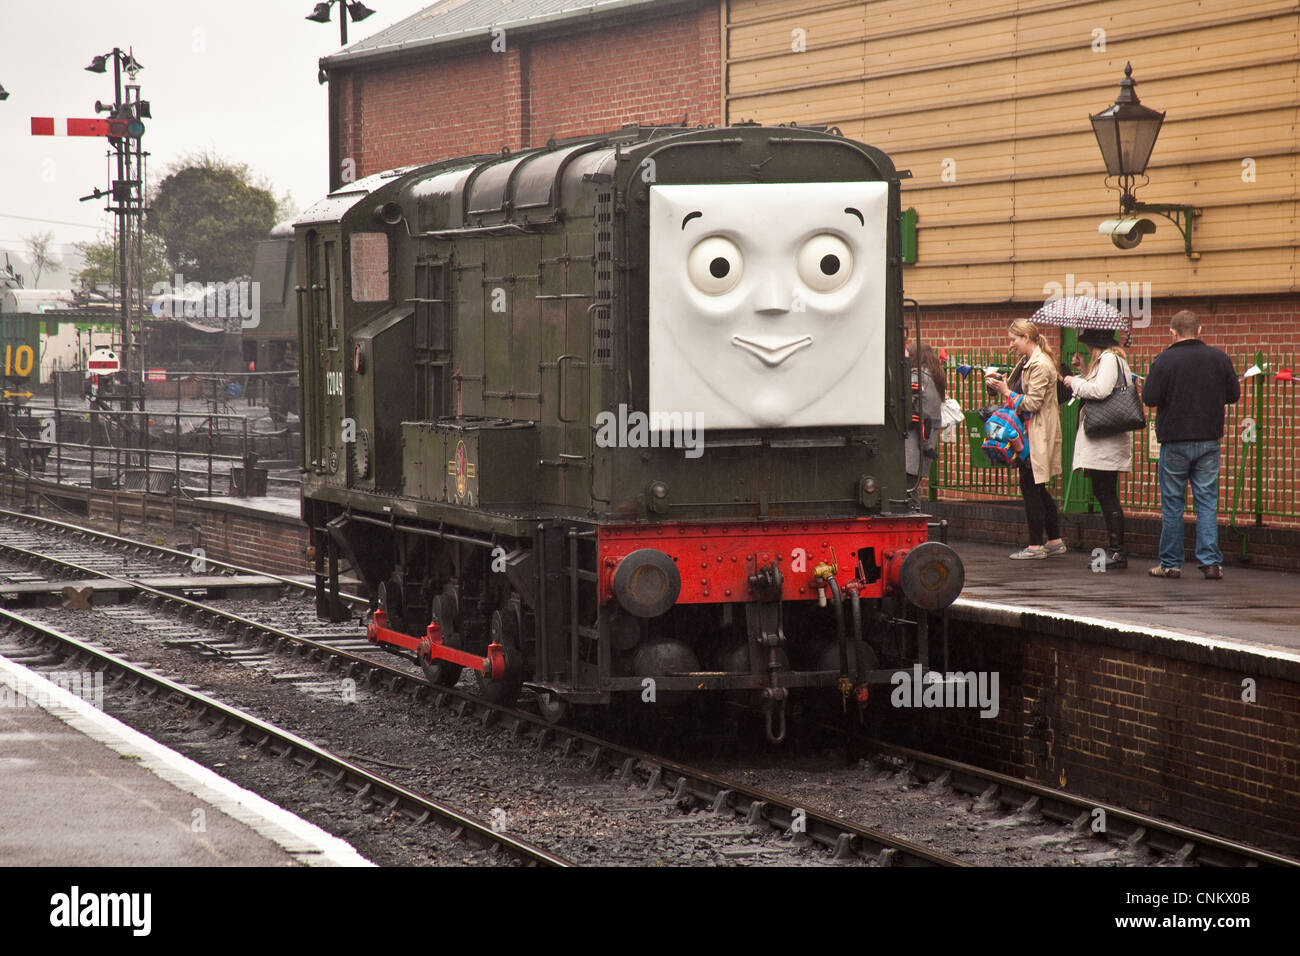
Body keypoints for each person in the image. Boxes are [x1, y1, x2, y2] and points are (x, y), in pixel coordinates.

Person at [1141, 310, 1239, 579]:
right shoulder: (1219, 358)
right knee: (1206, 502)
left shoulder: (1164, 360)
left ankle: (1170, 564)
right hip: (1208, 439)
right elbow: (1233, 394)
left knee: (1173, 504)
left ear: (1172, 333)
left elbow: (1149, 398)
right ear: (1199, 330)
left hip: (1174, 441)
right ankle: (1211, 563)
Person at [985, 319, 1064, 559]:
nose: (1011, 345)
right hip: (1026, 433)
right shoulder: (1026, 361)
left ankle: (1035, 546)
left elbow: (1032, 403)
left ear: (1026, 338)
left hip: (1036, 434)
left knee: (1031, 488)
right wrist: (998, 384)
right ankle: (1054, 540)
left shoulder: (1040, 364)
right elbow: (1014, 391)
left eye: (1014, 339)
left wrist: (1006, 392)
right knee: (1036, 488)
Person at [1062, 328, 1134, 569]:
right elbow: (1102, 386)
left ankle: (1117, 551)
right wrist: (1084, 370)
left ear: (1094, 344)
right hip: (1105, 439)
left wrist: (1074, 381)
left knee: (1106, 493)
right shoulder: (1110, 359)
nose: (1086, 349)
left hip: (1106, 440)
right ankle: (1115, 549)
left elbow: (1100, 391)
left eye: (1087, 345)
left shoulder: (1109, 359)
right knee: (1104, 491)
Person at [905, 342, 945, 506]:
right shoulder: (933, 377)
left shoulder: (918, 378)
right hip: (925, 441)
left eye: (907, 356)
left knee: (907, 491)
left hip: (913, 442)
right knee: (909, 488)